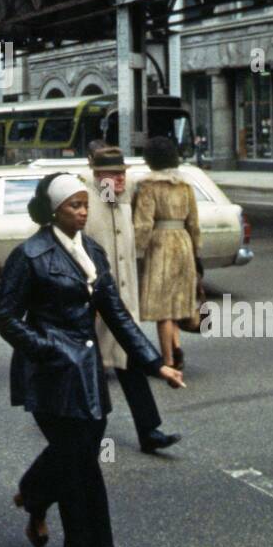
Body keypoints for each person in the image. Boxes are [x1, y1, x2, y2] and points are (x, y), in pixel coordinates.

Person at [0, 173, 185, 547]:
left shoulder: (92, 252)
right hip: (48, 377)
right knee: (82, 470)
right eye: (73, 206)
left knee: (73, 455)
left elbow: (116, 315)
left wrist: (156, 363)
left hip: (87, 378)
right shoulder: (29, 255)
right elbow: (7, 319)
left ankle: (34, 495)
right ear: (53, 210)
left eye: (85, 205)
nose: (82, 212)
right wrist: (48, 349)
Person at [79, 143, 181, 456]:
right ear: (97, 175)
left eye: (123, 173)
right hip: (92, 306)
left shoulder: (121, 201)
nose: (121, 179)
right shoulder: (83, 204)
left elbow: (161, 176)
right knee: (88, 370)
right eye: (113, 174)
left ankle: (149, 431)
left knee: (131, 365)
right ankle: (81, 434)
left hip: (122, 305)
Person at [132, 136, 203, 371]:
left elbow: (143, 224)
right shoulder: (185, 186)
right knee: (176, 301)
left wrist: (137, 250)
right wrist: (195, 250)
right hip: (182, 242)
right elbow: (194, 222)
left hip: (160, 244)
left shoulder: (148, 187)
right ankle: (176, 346)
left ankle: (169, 361)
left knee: (163, 308)